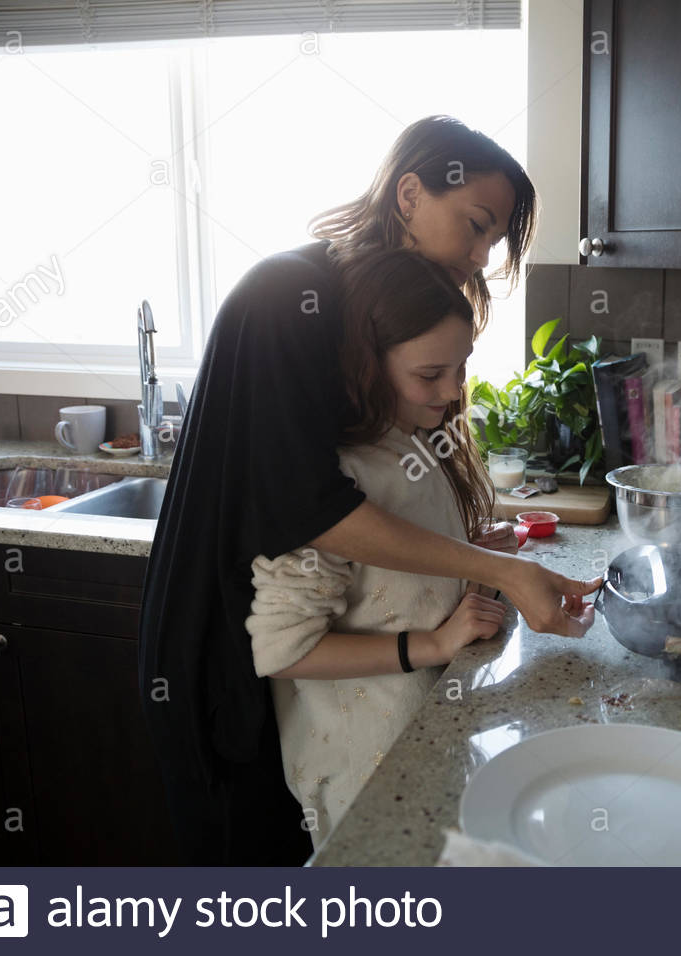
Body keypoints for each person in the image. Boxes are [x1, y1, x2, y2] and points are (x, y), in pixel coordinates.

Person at [139, 116, 601, 864]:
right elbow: (309, 509)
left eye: (494, 243)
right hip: (217, 643)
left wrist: (471, 556)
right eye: (476, 226)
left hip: (301, 659)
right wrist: (501, 571)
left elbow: (370, 499)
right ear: (409, 192)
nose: (480, 256)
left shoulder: (362, 304)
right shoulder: (289, 295)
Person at [247, 249, 505, 851]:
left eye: (461, 368)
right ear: (367, 363)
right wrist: (436, 644)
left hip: (421, 731)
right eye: (430, 374)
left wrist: (470, 561)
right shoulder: (333, 485)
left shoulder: (410, 441)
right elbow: (282, 650)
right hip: (362, 763)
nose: (453, 391)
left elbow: (397, 580)